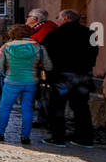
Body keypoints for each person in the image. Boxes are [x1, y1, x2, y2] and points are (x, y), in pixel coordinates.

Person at [0, 24, 52, 145]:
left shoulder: (6, 47)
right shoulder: (39, 47)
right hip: (31, 82)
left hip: (12, 81)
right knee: (27, 109)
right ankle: (25, 136)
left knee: (5, 108)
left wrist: (7, 72)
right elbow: (48, 66)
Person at [42, 9, 98, 148]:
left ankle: (58, 138)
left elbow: (45, 55)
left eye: (59, 17)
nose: (58, 20)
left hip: (61, 75)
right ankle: (84, 139)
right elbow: (94, 54)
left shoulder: (54, 34)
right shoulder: (90, 34)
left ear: (66, 18)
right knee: (81, 107)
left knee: (58, 106)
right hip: (83, 74)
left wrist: (48, 73)